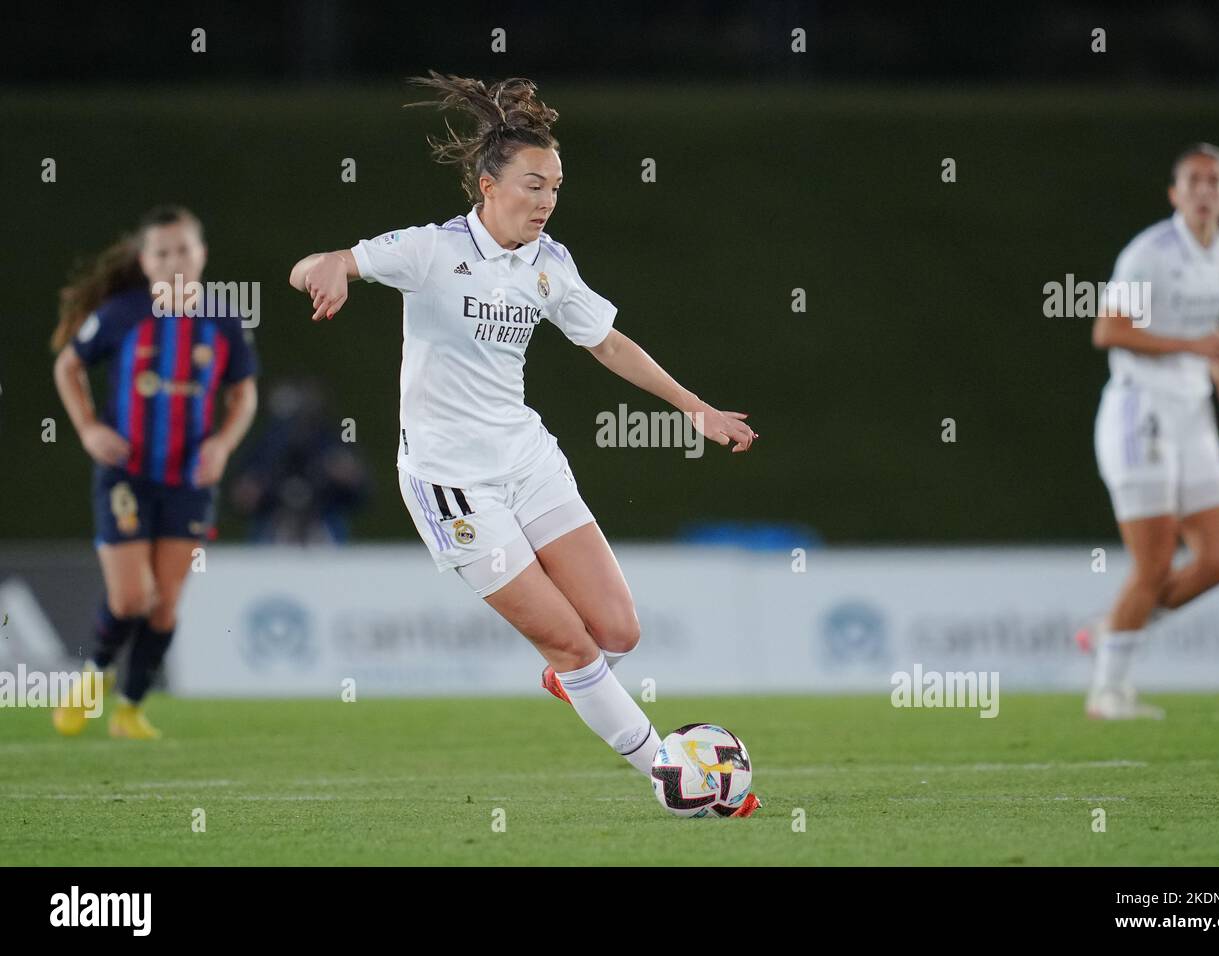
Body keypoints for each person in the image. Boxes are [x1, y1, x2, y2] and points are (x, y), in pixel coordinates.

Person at [289, 72, 761, 814]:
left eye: (556, 188)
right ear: (487, 186)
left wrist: (695, 408)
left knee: (617, 631)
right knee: (573, 645)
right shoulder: (429, 251)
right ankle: (678, 784)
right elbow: (321, 262)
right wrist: (327, 273)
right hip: (453, 483)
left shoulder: (550, 264)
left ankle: (572, 686)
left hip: (528, 461)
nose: (545, 202)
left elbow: (605, 342)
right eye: (533, 186)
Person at [51, 206, 258, 738]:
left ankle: (129, 711)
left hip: (189, 482)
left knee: (164, 606)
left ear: (202, 254)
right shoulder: (121, 314)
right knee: (131, 599)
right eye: (162, 252)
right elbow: (68, 365)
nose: (174, 261)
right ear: (145, 261)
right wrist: (89, 429)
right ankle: (92, 676)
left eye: (183, 249)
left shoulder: (224, 319)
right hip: (127, 474)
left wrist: (222, 443)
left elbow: (244, 393)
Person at [1080, 143, 1219, 720]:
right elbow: (1108, 331)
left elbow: (1202, 329)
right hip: (1140, 414)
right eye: (1193, 181)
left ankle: (1111, 629)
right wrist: (1193, 347)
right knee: (1153, 565)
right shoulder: (1148, 253)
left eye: (1215, 181)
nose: (1205, 190)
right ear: (1175, 194)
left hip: (1193, 416)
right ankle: (1108, 692)